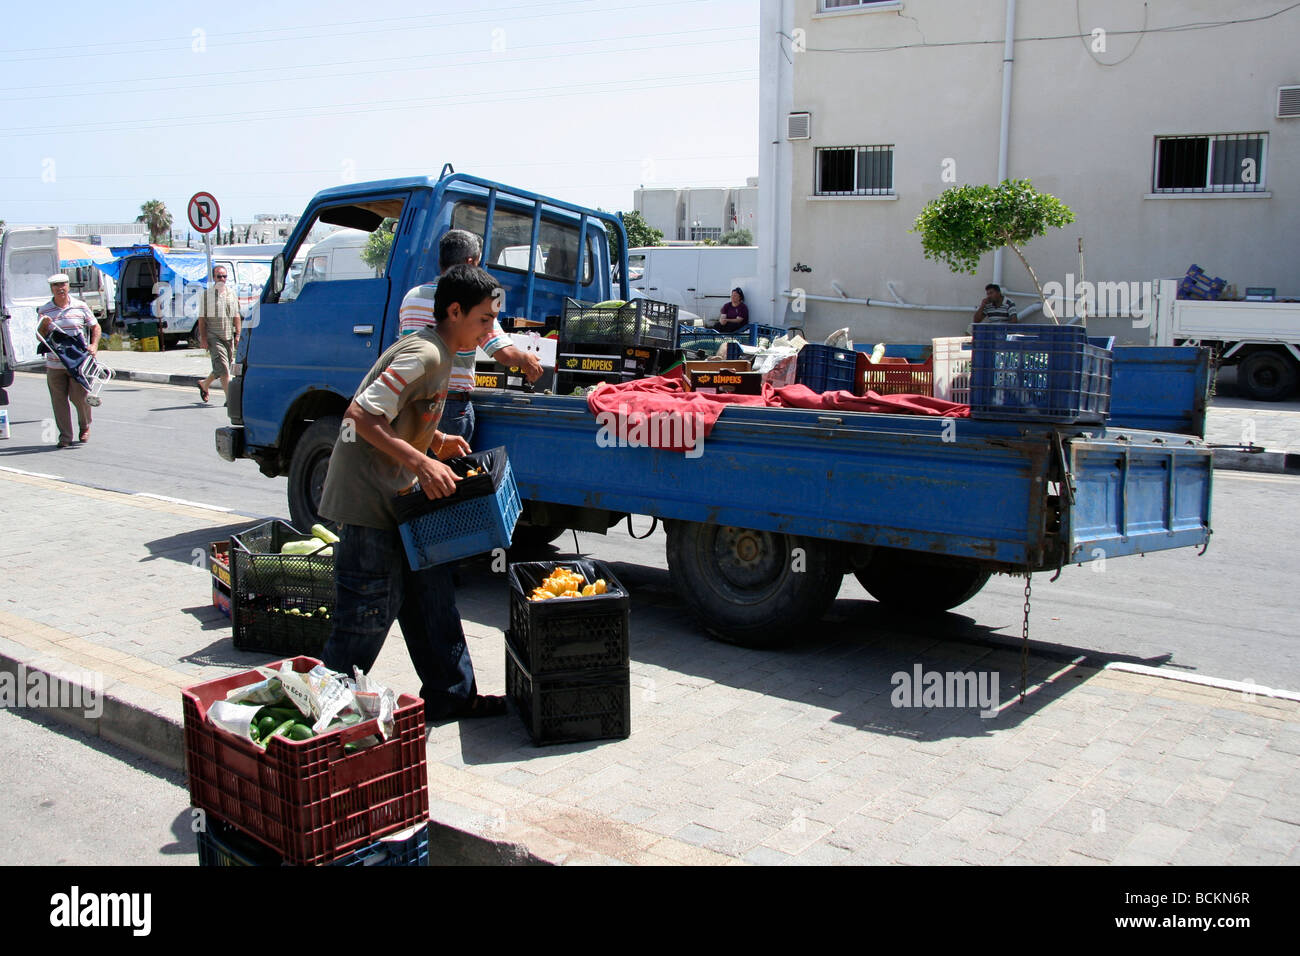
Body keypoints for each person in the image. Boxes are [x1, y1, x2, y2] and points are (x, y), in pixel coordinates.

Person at [319, 264, 507, 721]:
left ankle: (451, 696)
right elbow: (360, 416)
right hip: (370, 504)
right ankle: (317, 711)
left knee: (431, 597)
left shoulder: (445, 351)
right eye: (484, 320)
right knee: (365, 616)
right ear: (455, 311)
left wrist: (435, 440)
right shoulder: (425, 354)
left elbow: (403, 410)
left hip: (401, 502)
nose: (489, 331)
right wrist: (421, 462)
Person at [398, 229, 543, 442]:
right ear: (469, 262)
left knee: (416, 470)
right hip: (449, 408)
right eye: (478, 263)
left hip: (413, 403)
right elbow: (505, 355)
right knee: (451, 473)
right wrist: (528, 360)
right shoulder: (472, 302)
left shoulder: (412, 297)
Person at [37, 273, 99, 447]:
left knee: (80, 397)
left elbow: (95, 326)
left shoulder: (80, 306)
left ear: (68, 286)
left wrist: (93, 345)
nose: (60, 288)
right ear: (52, 289)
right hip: (54, 363)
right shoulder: (45, 310)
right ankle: (65, 436)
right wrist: (43, 326)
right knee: (59, 401)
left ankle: (85, 426)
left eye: (63, 285)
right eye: (56, 286)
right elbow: (40, 337)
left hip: (77, 362)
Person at [196, 266, 241, 403]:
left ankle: (204, 384)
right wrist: (203, 339)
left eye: (224, 276)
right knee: (224, 369)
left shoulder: (231, 294)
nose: (222, 279)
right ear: (213, 278)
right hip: (213, 336)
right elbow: (202, 320)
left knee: (221, 367)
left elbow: (236, 315)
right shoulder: (206, 295)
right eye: (219, 276)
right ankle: (230, 400)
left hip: (228, 335)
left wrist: (238, 334)